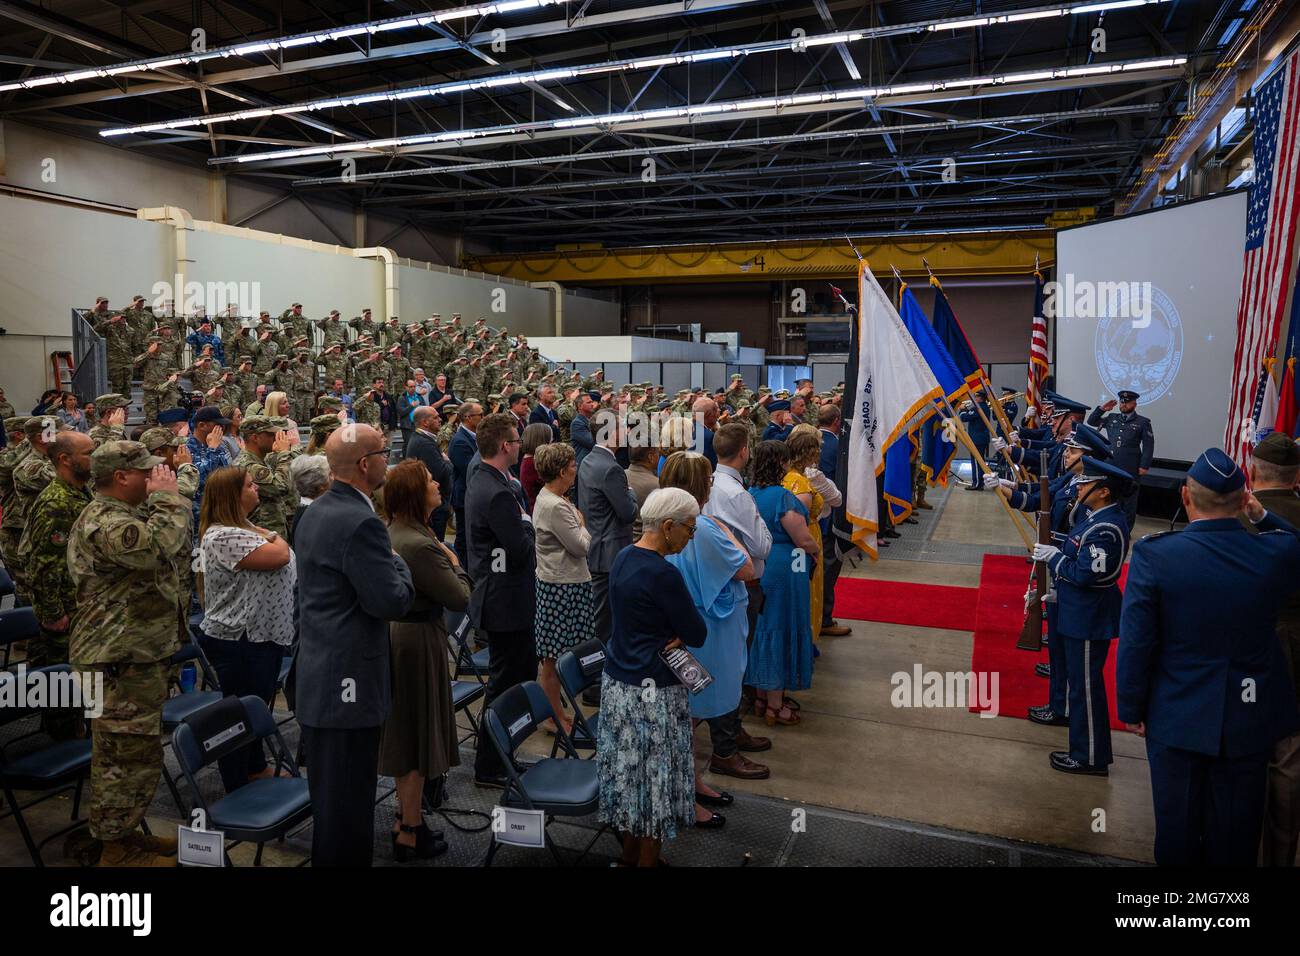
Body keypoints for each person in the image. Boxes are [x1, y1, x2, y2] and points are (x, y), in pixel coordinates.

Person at [1118, 448, 1300, 866]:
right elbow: (1294, 542)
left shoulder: (1156, 556)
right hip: (1248, 720)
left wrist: (1131, 705)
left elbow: (1137, 641)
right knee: (1236, 839)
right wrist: (1260, 516)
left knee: (1177, 834)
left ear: (1185, 497)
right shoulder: (1273, 555)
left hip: (1176, 716)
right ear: (1243, 499)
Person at [293, 424, 415, 866]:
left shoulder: (315, 511)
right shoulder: (361, 521)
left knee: (336, 808)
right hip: (346, 683)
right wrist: (399, 565)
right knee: (347, 813)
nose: (389, 459)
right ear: (366, 464)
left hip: (322, 674)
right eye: (384, 452)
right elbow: (393, 600)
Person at [67, 441, 191, 867]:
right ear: (121, 477)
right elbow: (159, 548)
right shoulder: (107, 522)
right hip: (116, 659)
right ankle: (115, 852)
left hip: (133, 653)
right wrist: (167, 499)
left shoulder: (126, 516)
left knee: (134, 754)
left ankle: (122, 835)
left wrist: (162, 500)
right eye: (147, 472)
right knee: (122, 756)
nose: (157, 477)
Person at [598, 487, 708, 866]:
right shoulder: (665, 574)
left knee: (630, 787)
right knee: (655, 791)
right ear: (667, 526)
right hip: (655, 696)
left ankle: (630, 857)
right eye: (689, 529)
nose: (690, 536)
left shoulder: (624, 558)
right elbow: (696, 632)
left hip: (618, 687)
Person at [661, 452, 763, 822]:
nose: (710, 487)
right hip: (704, 631)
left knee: (691, 715)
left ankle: (691, 781)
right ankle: (682, 793)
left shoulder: (693, 523)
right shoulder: (702, 527)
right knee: (688, 714)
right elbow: (747, 568)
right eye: (706, 481)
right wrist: (729, 536)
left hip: (703, 626)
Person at [380, 459, 470, 862]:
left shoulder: (402, 532)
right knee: (414, 736)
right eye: (430, 480)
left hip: (409, 637)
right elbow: (460, 598)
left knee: (409, 731)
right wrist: (454, 563)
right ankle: (410, 831)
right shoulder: (418, 544)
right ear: (417, 494)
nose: (437, 484)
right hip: (416, 642)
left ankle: (406, 817)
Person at [197, 466, 297, 793]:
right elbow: (280, 555)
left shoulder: (245, 527)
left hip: (260, 634)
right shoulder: (221, 535)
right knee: (238, 711)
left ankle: (255, 768)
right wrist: (273, 536)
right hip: (239, 638)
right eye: (251, 486)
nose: (258, 490)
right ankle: (238, 782)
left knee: (256, 705)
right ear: (232, 496)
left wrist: (266, 534)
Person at [1033, 457, 1132, 775]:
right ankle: (1082, 748)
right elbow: (1077, 553)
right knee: (1078, 684)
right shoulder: (1094, 518)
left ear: (1103, 491)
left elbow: (1090, 574)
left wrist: (1056, 560)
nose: (1078, 486)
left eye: (1086, 483)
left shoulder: (1105, 527)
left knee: (1086, 688)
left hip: (1088, 617)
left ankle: (1090, 756)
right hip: (1076, 611)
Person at [465, 413, 538, 788]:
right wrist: (527, 523)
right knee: (505, 685)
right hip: (504, 602)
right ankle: (491, 764)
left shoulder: (491, 480)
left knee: (513, 681)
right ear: (505, 446)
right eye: (515, 440)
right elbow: (521, 549)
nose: (519, 445)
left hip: (506, 597)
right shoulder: (495, 490)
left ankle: (501, 757)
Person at [1240, 432, 1300, 864]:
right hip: (1296, 643)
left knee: (1242, 753)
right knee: (1288, 755)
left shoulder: (1239, 518)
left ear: (1254, 471)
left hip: (1248, 643)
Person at [746, 440, 817, 726]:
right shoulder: (783, 498)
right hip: (786, 566)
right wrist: (815, 549)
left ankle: (762, 696)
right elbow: (801, 538)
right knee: (783, 626)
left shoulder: (749, 494)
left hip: (759, 565)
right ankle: (776, 705)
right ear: (781, 464)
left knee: (764, 628)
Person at [531, 442, 595, 735]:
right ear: (560, 471)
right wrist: (582, 523)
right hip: (562, 587)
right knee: (552, 657)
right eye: (571, 464)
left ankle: (555, 709)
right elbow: (581, 546)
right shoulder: (557, 505)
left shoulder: (553, 497)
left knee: (556, 654)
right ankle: (552, 717)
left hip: (561, 583)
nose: (575, 468)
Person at [578, 408, 640, 647]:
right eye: (622, 427)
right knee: (606, 625)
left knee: (601, 619)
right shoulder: (611, 468)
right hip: (610, 555)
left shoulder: (588, 460)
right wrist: (631, 493)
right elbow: (628, 513)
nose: (627, 431)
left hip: (597, 549)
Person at [786, 425, 833, 641]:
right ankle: (807, 640)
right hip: (805, 538)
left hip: (806, 536)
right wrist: (811, 547)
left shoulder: (790, 476)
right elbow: (799, 519)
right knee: (807, 587)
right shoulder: (801, 482)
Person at [1086, 389, 1153, 528]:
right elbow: (1092, 421)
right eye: (1122, 402)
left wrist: (1144, 465)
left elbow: (1148, 445)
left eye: (1127, 402)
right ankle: (1109, 524)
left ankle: (1125, 529)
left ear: (1134, 404)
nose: (1123, 405)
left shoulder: (1142, 422)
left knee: (1128, 500)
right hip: (1111, 464)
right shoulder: (1111, 418)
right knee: (1110, 496)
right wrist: (1102, 409)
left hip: (1131, 466)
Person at [817, 405, 850, 636]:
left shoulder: (809, 440)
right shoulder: (838, 447)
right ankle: (825, 619)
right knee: (829, 566)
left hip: (810, 514)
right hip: (830, 514)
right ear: (837, 421)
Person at [404, 406, 453, 539]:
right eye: (436, 417)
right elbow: (441, 473)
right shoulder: (425, 443)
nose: (440, 420)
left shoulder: (424, 439)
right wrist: (448, 462)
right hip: (434, 508)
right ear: (425, 422)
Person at [448, 400, 482, 567]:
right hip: (464, 497)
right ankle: (463, 570)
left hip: (472, 495)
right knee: (463, 538)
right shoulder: (460, 441)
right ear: (468, 418)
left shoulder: (473, 437)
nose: (483, 418)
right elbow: (471, 470)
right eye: (480, 415)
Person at [288, 453, 331, 542]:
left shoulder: (305, 510)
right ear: (320, 485)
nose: (335, 478)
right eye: (330, 474)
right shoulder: (316, 516)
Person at [625, 442, 661, 538]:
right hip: (644, 540)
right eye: (658, 453)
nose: (659, 456)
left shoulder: (620, 476)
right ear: (650, 457)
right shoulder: (656, 484)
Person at [518, 422, 552, 513]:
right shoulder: (532, 463)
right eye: (550, 440)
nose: (552, 442)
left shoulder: (530, 459)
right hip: (539, 510)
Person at [691, 397, 719, 469]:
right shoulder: (708, 437)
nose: (718, 414)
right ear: (708, 414)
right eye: (716, 410)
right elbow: (712, 467)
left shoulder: (684, 429)